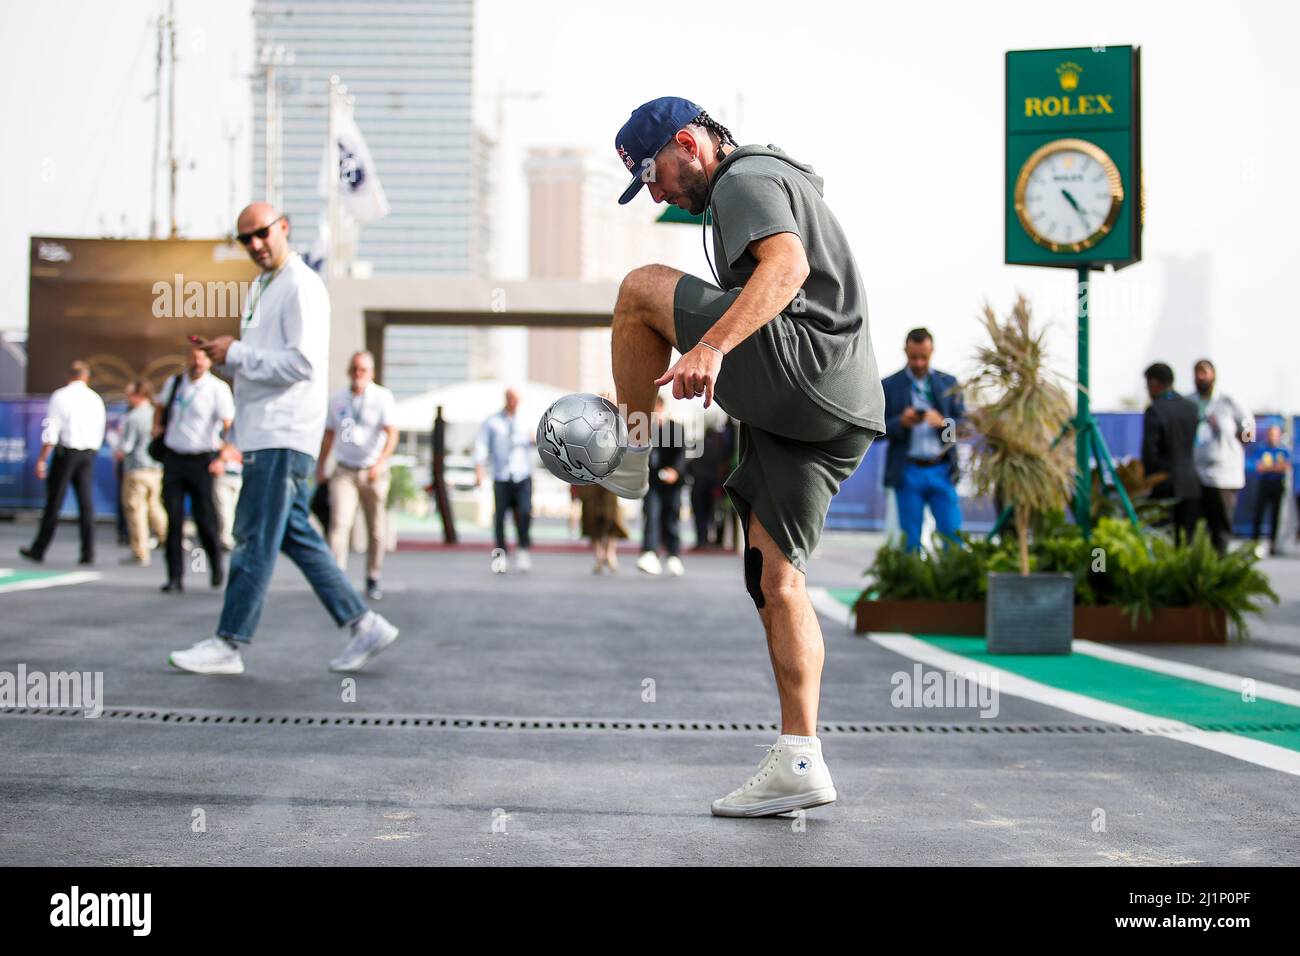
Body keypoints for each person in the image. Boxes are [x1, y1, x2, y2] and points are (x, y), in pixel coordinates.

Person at [603, 97, 884, 816]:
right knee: (774, 574)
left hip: (804, 364)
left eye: (655, 175)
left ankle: (634, 453)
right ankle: (800, 757)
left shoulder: (743, 179)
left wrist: (711, 344)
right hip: (837, 411)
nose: (657, 192)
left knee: (639, 291)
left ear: (690, 144)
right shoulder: (766, 179)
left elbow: (785, 266)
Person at [168, 202, 398, 675]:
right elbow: (265, 358)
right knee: (296, 537)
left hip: (282, 436)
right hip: (265, 435)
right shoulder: (261, 287)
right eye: (245, 238)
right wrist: (230, 355)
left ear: (283, 228)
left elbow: (302, 364)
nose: (254, 244)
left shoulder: (301, 286)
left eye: (261, 233)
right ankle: (363, 622)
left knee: (252, 539)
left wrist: (238, 354)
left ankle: (229, 643)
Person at [318, 350, 398, 601]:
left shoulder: (382, 398)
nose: (358, 374)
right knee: (339, 525)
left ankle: (373, 577)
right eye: (355, 369)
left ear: (371, 373)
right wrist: (321, 466)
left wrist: (379, 463)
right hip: (345, 470)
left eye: (363, 369)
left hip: (373, 471)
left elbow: (391, 433)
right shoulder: (337, 399)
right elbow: (329, 435)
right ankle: (336, 579)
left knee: (375, 529)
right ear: (349, 371)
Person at [155, 345, 234, 593]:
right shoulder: (176, 383)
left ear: (209, 363)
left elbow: (229, 424)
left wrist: (222, 456)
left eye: (202, 360)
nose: (197, 364)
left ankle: (215, 566)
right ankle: (175, 576)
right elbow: (160, 407)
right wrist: (157, 428)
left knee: (205, 519)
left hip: (202, 460)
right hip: (175, 458)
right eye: (194, 359)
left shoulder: (217, 389)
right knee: (174, 520)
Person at [881, 328, 966, 552]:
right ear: (905, 351)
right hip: (907, 472)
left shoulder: (949, 383)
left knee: (952, 538)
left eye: (924, 357)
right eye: (913, 357)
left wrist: (943, 424)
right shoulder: (889, 385)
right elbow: (878, 432)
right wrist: (902, 423)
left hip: (942, 470)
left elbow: (962, 429)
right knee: (910, 543)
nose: (918, 363)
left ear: (932, 352)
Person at [20, 360, 106, 565]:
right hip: (88, 453)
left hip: (67, 453)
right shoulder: (95, 399)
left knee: (54, 502)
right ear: (86, 377)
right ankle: (88, 552)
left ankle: (39, 549)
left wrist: (42, 459)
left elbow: (51, 431)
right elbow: (99, 430)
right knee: (86, 504)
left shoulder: (61, 396)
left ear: (70, 376)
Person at [1192, 359, 1254, 554]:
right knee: (1195, 530)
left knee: (1220, 529)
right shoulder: (1190, 402)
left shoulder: (1228, 401)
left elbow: (1249, 434)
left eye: (1205, 372)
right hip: (1196, 473)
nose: (1200, 377)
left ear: (1214, 375)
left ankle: (1219, 572)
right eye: (1197, 372)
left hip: (1223, 476)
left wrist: (1233, 433)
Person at [474, 387, 534, 574]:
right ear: (506, 399)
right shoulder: (492, 422)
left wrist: (534, 440)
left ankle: (523, 549)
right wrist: (479, 470)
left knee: (524, 513)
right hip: (501, 476)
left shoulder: (526, 421)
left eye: (516, 398)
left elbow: (541, 441)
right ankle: (500, 555)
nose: (513, 402)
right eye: (510, 398)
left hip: (522, 475)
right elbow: (482, 446)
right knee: (500, 517)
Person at [1141, 363, 1202, 545]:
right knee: (1187, 541)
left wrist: (1149, 477)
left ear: (1154, 383)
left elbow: (1149, 450)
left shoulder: (1155, 410)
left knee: (1164, 540)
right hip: (1191, 484)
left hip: (1165, 484)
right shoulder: (1191, 408)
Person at [116, 379, 167, 566]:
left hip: (137, 469)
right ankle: (169, 539)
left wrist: (119, 450)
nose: (127, 398)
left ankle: (140, 551)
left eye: (130, 394)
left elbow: (126, 447)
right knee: (155, 506)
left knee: (136, 510)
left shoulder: (133, 417)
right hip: (156, 468)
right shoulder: (156, 414)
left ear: (139, 395)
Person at [637, 395, 686, 576]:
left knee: (672, 516)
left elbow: (682, 454)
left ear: (661, 408)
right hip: (652, 483)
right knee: (652, 514)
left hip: (673, 484)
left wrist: (675, 471)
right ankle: (649, 552)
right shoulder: (643, 430)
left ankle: (673, 555)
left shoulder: (676, 428)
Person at [688, 422, 728, 549]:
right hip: (712, 484)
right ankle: (711, 539)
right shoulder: (719, 448)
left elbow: (688, 462)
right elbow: (722, 467)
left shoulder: (698, 445)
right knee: (711, 513)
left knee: (699, 513)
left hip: (698, 482)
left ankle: (701, 540)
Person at [1251, 424, 1289, 556]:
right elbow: (1259, 467)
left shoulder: (1283, 450)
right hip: (1265, 483)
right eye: (1271, 434)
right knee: (1259, 513)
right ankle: (1254, 543)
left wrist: (1270, 467)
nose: (1273, 437)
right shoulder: (1262, 449)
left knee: (1275, 515)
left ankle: (1273, 543)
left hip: (1277, 484)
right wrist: (1275, 467)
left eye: (1275, 434)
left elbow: (1285, 467)